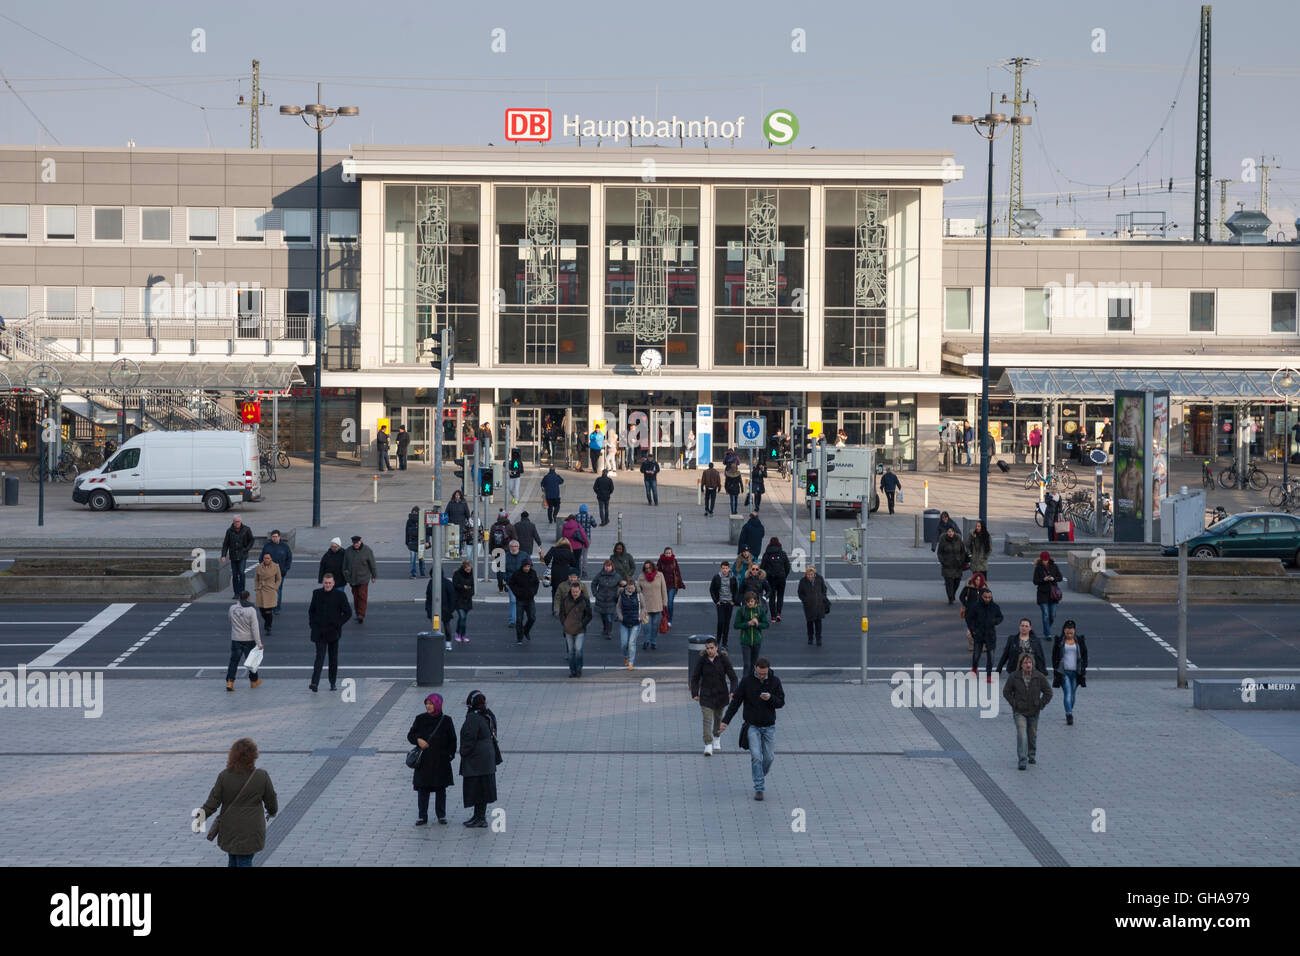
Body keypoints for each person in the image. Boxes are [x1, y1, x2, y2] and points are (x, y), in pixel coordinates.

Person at [198, 738, 278, 867]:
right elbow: (271, 800)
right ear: (253, 755)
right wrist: (272, 811)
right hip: (251, 829)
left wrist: (199, 819)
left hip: (229, 828)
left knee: (233, 859)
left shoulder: (224, 776)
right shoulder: (261, 776)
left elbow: (212, 803)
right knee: (245, 860)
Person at [719, 658, 784, 800]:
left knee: (769, 758)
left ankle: (759, 774)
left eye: (764, 674)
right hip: (752, 726)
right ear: (755, 668)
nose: (762, 676)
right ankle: (759, 788)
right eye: (760, 673)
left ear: (768, 670)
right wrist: (725, 721)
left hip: (769, 726)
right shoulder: (747, 681)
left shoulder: (775, 681)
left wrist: (770, 698)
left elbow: (781, 702)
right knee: (756, 756)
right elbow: (735, 703)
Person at [408, 693, 456, 825]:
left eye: (431, 703)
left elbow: (453, 740)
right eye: (427, 703)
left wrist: (449, 756)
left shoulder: (446, 720)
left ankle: (441, 815)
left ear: (438, 704)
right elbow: (410, 735)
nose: (428, 706)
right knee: (423, 789)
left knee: (441, 789)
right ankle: (422, 816)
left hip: (441, 762)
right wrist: (418, 740)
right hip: (424, 762)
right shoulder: (420, 719)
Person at [1003, 652, 1053, 770]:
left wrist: (1040, 705)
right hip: (1019, 711)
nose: (1028, 665)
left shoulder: (1038, 676)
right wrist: (1014, 704)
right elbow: (1006, 692)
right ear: (1021, 664)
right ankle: (1022, 759)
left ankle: (1031, 754)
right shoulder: (1014, 676)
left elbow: (1048, 692)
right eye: (1025, 663)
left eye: (1030, 662)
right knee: (1022, 733)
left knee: (1032, 734)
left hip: (1034, 711)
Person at [691, 638, 738, 756]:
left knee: (718, 718)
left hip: (721, 694)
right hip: (706, 695)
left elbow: (733, 677)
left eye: (712, 648)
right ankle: (708, 744)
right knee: (707, 720)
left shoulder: (723, 660)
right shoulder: (702, 660)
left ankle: (717, 736)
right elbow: (695, 678)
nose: (709, 650)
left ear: (716, 647)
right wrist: (695, 693)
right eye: (707, 648)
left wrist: (732, 691)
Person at [459, 690, 499, 828]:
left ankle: (480, 818)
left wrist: (463, 752)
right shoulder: (487, 714)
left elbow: (469, 738)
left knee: (477, 789)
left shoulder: (473, 718)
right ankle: (479, 816)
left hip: (476, 760)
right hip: (487, 758)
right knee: (483, 789)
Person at [308, 572, 352, 692]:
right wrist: (312, 625)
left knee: (333, 659)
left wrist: (338, 623)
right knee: (319, 658)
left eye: (329, 583)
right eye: (326, 583)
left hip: (333, 632)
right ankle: (314, 683)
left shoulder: (340, 595)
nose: (327, 585)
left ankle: (332, 682)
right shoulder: (316, 593)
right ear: (323, 583)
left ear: (333, 583)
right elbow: (311, 611)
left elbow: (348, 613)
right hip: (319, 631)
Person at [1051, 619, 1088, 725]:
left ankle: (1069, 710)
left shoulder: (1080, 641)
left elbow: (1084, 655)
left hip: (1076, 672)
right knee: (1067, 692)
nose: (1069, 633)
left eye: (1071, 631)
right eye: (1067, 631)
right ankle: (1069, 714)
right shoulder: (1059, 641)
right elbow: (1054, 656)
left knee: (1073, 694)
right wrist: (1056, 669)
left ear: (1075, 631)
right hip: (1064, 671)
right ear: (1064, 631)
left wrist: (1083, 668)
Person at [226, 591, 263, 691]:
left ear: (238, 598)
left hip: (236, 639)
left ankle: (230, 681)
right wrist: (259, 643)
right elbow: (255, 628)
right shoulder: (251, 610)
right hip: (249, 640)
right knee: (252, 662)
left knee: (234, 661)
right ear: (248, 598)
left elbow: (230, 620)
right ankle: (254, 681)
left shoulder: (232, 608)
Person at [967, 588, 1003, 681]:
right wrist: (973, 630)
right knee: (976, 654)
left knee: (991, 657)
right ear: (981, 597)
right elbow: (969, 619)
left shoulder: (995, 607)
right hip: (979, 633)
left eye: (989, 597)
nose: (988, 599)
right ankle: (974, 668)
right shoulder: (975, 607)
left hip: (990, 634)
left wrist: (994, 621)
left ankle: (989, 675)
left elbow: (1000, 617)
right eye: (986, 597)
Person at [559, 581, 593, 677]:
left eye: (576, 592)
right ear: (571, 590)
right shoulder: (565, 600)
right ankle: (572, 671)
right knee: (570, 652)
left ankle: (578, 669)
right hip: (568, 628)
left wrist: (582, 624)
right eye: (573, 592)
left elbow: (589, 615)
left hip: (580, 629)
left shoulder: (585, 600)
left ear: (580, 590)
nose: (575, 594)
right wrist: (564, 624)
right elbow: (561, 614)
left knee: (578, 650)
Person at [731, 591, 770, 674]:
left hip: (757, 641)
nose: (750, 603)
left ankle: (752, 682)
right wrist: (748, 623)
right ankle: (745, 683)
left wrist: (758, 624)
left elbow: (766, 625)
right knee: (747, 664)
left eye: (751, 601)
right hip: (745, 641)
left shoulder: (760, 610)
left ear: (755, 601)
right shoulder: (741, 610)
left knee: (754, 664)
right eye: (748, 602)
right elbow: (736, 625)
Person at [342, 535, 377, 625]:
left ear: (360, 542)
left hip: (363, 578)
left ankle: (361, 614)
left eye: (357, 543)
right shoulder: (348, 551)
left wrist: (374, 576)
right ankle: (358, 613)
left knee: (362, 595)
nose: (356, 545)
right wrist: (346, 576)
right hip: (352, 579)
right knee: (356, 596)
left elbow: (372, 564)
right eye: (354, 543)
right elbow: (344, 565)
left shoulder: (367, 550)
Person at [259, 529, 292, 614]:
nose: (274, 538)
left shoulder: (285, 547)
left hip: (280, 573)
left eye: (276, 537)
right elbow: (261, 558)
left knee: (278, 590)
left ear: (279, 537)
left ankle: (277, 607)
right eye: (273, 537)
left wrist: (286, 568)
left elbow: (289, 558)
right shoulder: (267, 546)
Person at [637, 560, 668, 651]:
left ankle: (653, 641)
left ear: (653, 567)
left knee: (655, 626)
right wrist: (636, 587)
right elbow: (637, 589)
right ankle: (646, 641)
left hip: (657, 605)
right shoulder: (641, 576)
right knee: (646, 626)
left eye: (649, 567)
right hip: (645, 606)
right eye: (646, 568)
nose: (648, 569)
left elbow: (663, 590)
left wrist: (664, 603)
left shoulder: (660, 575)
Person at [1033, 550, 1064, 642]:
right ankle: (1048, 634)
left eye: (1046, 560)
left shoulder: (1054, 566)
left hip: (1053, 594)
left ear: (1049, 559)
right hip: (1042, 594)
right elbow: (1035, 581)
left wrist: (1053, 578)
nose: (1045, 561)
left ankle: (1047, 628)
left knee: (1052, 615)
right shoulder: (1038, 568)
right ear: (1041, 559)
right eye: (1043, 560)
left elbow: (1060, 578)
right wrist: (1044, 579)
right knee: (1046, 615)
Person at [508, 557, 540, 645]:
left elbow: (536, 583)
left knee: (532, 618)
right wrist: (517, 593)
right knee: (519, 619)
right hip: (520, 600)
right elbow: (511, 583)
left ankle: (526, 630)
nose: (527, 568)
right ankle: (519, 638)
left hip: (530, 599)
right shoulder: (517, 574)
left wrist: (534, 592)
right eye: (525, 566)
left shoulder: (533, 573)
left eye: (528, 566)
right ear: (522, 566)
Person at [220, 514, 253, 599]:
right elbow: (225, 544)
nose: (237, 523)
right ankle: (236, 593)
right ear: (233, 522)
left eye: (238, 521)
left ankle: (242, 592)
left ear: (241, 521)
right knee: (234, 575)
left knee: (241, 573)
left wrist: (246, 549)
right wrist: (223, 555)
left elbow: (252, 540)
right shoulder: (229, 531)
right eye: (235, 522)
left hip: (242, 555)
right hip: (233, 556)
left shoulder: (246, 529)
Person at [796, 565, 830, 646]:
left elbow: (824, 589)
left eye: (811, 575)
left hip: (818, 604)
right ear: (806, 574)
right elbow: (800, 593)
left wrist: (822, 597)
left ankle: (818, 639)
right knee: (809, 623)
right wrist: (805, 600)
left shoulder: (819, 579)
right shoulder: (803, 581)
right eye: (808, 575)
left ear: (814, 574)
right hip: (809, 606)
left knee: (818, 623)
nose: (810, 576)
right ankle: (810, 638)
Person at [709, 560, 740, 649]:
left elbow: (736, 590)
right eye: (723, 568)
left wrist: (734, 601)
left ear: (729, 569)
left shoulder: (733, 578)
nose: (725, 570)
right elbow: (712, 589)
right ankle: (718, 641)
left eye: (726, 568)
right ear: (721, 569)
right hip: (721, 603)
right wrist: (716, 601)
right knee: (720, 622)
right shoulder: (717, 577)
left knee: (727, 623)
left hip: (729, 603)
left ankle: (724, 643)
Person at [760, 537, 791, 622]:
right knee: (780, 596)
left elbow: (762, 567)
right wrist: (784, 575)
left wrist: (765, 577)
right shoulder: (782, 553)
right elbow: (787, 567)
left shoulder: (766, 554)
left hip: (771, 578)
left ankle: (773, 616)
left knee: (772, 597)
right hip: (781, 578)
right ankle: (778, 614)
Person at [544, 538, 577, 615]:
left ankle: (555, 609)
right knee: (565, 592)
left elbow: (546, 559)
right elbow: (574, 563)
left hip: (554, 573)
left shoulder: (553, 549)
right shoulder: (569, 552)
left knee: (555, 592)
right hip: (565, 574)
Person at [591, 559, 621, 640]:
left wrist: (618, 594)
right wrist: (596, 594)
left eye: (609, 566)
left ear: (612, 567)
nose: (607, 568)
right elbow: (594, 584)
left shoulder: (616, 576)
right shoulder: (599, 575)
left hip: (611, 599)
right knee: (603, 615)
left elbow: (621, 585)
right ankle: (605, 628)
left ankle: (609, 632)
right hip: (601, 599)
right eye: (606, 566)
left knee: (609, 616)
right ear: (604, 567)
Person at [936, 525, 967, 604]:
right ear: (947, 532)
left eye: (952, 531)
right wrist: (943, 561)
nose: (950, 533)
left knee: (957, 582)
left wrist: (962, 561)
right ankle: (950, 597)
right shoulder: (943, 539)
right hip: (947, 565)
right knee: (949, 583)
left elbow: (963, 551)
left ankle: (953, 594)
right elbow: (939, 552)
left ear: (954, 532)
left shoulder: (958, 539)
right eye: (949, 531)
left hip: (957, 565)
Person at [958, 571, 988, 651]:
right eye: (976, 579)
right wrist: (967, 605)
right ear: (973, 580)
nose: (977, 581)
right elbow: (961, 597)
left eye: (979, 580)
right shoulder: (968, 588)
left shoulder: (985, 589)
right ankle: (972, 644)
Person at [252, 555, 280, 635]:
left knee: (268, 610)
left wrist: (275, 587)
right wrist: (257, 588)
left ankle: (268, 626)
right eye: (265, 558)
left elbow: (278, 579)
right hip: (261, 590)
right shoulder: (259, 567)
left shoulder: (275, 566)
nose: (266, 559)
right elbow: (256, 579)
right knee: (262, 610)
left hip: (270, 590)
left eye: (268, 558)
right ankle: (267, 622)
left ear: (271, 558)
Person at [657, 547, 685, 624]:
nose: (668, 554)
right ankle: (664, 616)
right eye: (667, 553)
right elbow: (657, 573)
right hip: (663, 586)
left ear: (671, 553)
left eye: (669, 553)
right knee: (663, 604)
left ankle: (669, 620)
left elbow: (677, 573)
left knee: (670, 603)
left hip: (672, 585)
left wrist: (681, 583)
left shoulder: (674, 561)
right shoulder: (660, 561)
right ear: (664, 553)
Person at [489, 511, 516, 592]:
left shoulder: (494, 526)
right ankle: (506, 583)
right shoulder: (510, 526)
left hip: (497, 550)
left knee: (499, 570)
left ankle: (500, 588)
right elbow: (515, 538)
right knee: (507, 568)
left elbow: (491, 540)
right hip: (507, 550)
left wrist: (490, 551)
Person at [451, 559, 474, 644]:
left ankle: (462, 635)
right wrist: (462, 587)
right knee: (462, 617)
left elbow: (472, 585)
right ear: (464, 569)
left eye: (470, 570)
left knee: (464, 619)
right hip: (459, 599)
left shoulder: (470, 574)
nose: (469, 571)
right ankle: (458, 634)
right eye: (467, 570)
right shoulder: (457, 574)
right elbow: (454, 585)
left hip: (467, 599)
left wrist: (471, 593)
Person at [575, 504, 598, 576]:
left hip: (578, 538)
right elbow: (595, 525)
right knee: (585, 555)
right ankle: (584, 571)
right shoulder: (589, 516)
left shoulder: (576, 516)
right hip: (586, 538)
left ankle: (577, 570)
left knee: (578, 555)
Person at [406, 506, 426, 579]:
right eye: (413, 512)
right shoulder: (409, 521)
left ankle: (422, 572)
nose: (414, 514)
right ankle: (413, 573)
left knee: (421, 558)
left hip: (420, 541)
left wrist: (427, 541)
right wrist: (407, 542)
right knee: (413, 558)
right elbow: (406, 532)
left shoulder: (422, 520)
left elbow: (426, 531)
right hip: (412, 541)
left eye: (416, 512)